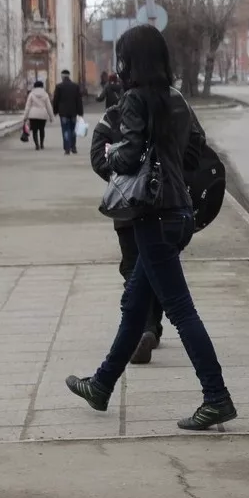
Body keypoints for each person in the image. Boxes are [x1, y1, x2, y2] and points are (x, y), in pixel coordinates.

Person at [65, 24, 236, 430]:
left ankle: (217, 397)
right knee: (135, 306)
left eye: (123, 58)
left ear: (132, 61)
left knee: (180, 310)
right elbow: (197, 147)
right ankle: (102, 385)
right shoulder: (177, 99)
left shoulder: (135, 100)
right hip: (179, 213)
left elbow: (126, 157)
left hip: (152, 215)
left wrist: (109, 157)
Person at [89, 84, 166, 365]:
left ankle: (146, 328)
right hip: (163, 205)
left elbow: (99, 159)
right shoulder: (167, 107)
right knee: (157, 266)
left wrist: (120, 176)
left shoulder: (112, 117)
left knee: (134, 268)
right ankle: (151, 326)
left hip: (127, 208)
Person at [52, 69, 84, 155]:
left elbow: (56, 100)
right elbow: (79, 100)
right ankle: (73, 147)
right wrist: (80, 112)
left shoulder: (59, 86)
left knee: (66, 130)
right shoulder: (75, 86)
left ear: (62, 76)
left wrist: (55, 111)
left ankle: (67, 148)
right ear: (69, 76)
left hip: (63, 113)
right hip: (73, 112)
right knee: (73, 130)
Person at [22, 80, 53, 150]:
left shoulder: (31, 94)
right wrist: (51, 117)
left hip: (33, 115)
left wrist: (25, 117)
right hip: (43, 115)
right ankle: (42, 144)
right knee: (42, 130)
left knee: (35, 130)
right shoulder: (45, 94)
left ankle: (37, 145)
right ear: (42, 86)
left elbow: (28, 106)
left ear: (34, 86)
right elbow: (49, 107)